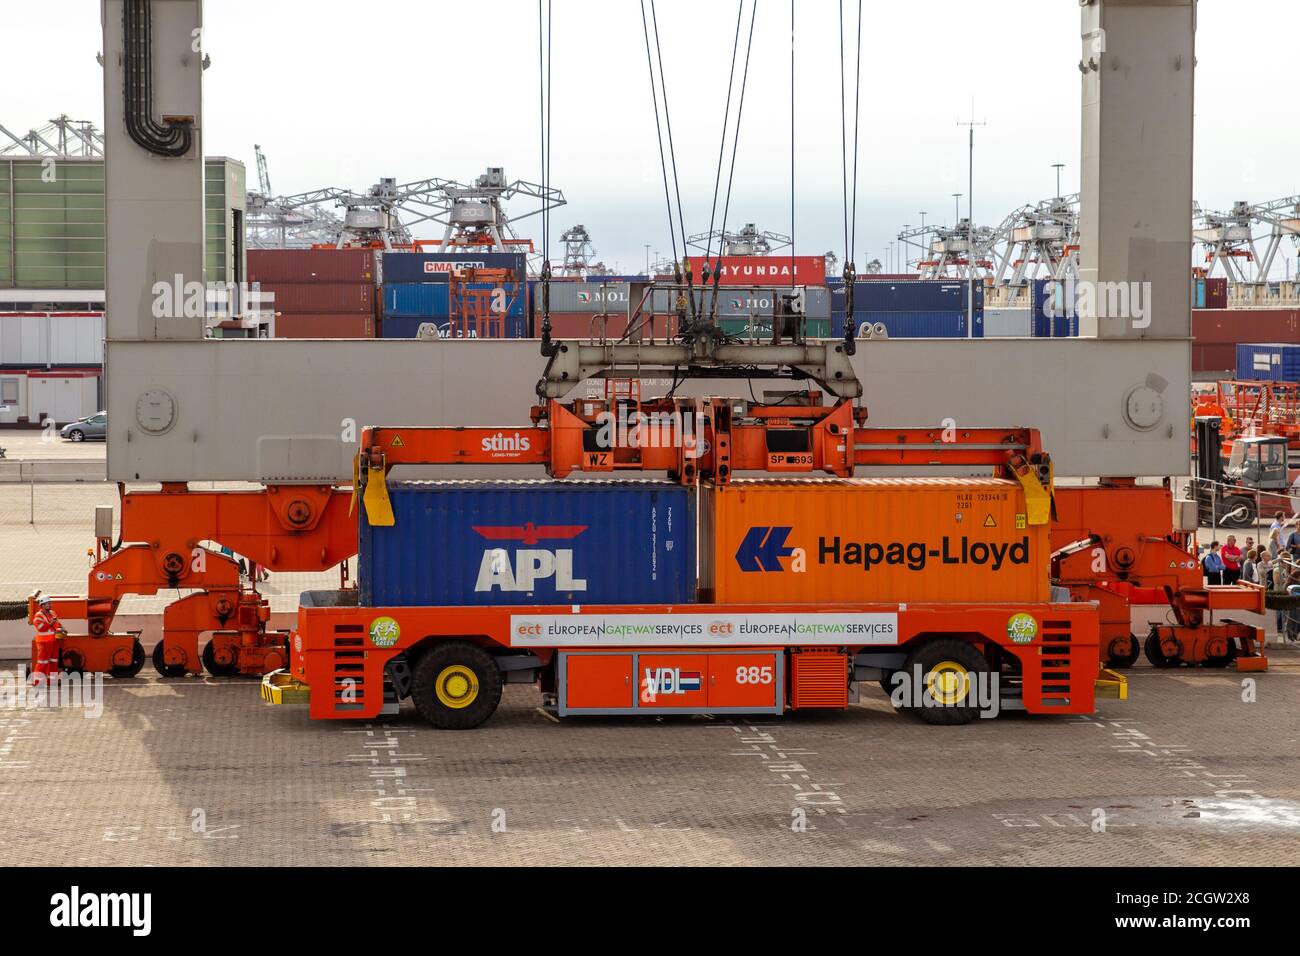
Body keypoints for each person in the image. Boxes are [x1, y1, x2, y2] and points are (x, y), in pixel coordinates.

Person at [30, 594, 66, 684]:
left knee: (54, 662)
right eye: (48, 603)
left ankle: (52, 681)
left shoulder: (52, 613)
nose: (50, 605)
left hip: (54, 641)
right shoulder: (38, 616)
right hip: (44, 642)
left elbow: (57, 623)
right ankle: (37, 682)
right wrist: (50, 623)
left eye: (50, 603)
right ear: (42, 605)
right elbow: (40, 627)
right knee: (42, 662)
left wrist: (62, 628)